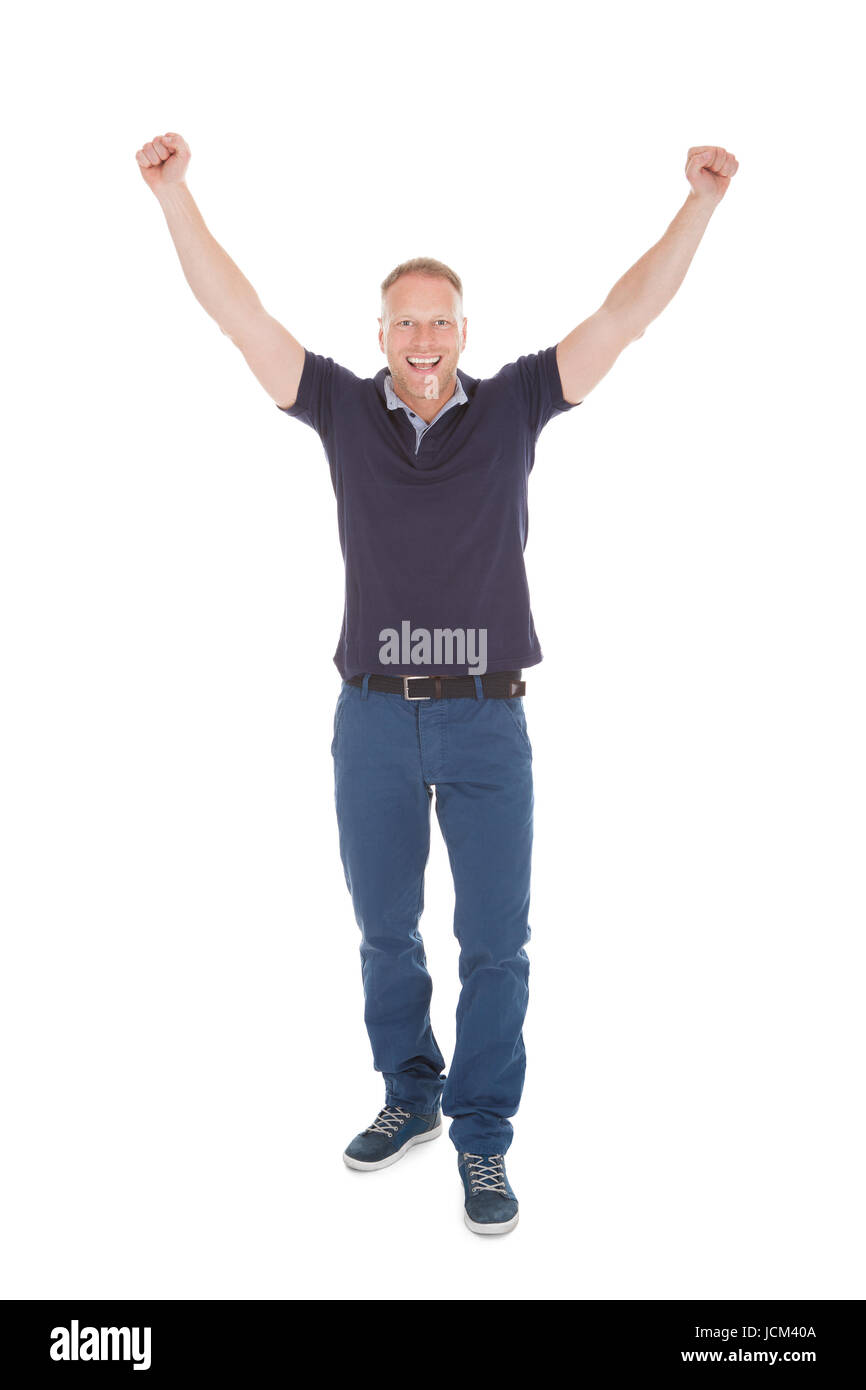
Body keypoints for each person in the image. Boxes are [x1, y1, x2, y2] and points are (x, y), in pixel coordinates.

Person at [136, 133, 738, 1235]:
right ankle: (409, 1095)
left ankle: (481, 1137)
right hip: (368, 716)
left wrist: (693, 207)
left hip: (484, 722)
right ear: (381, 337)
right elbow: (238, 313)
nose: (422, 337)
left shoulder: (514, 404)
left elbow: (624, 314)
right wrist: (176, 194)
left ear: (465, 333)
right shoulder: (335, 405)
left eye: (439, 320)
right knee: (384, 930)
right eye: (403, 321)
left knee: (495, 944)